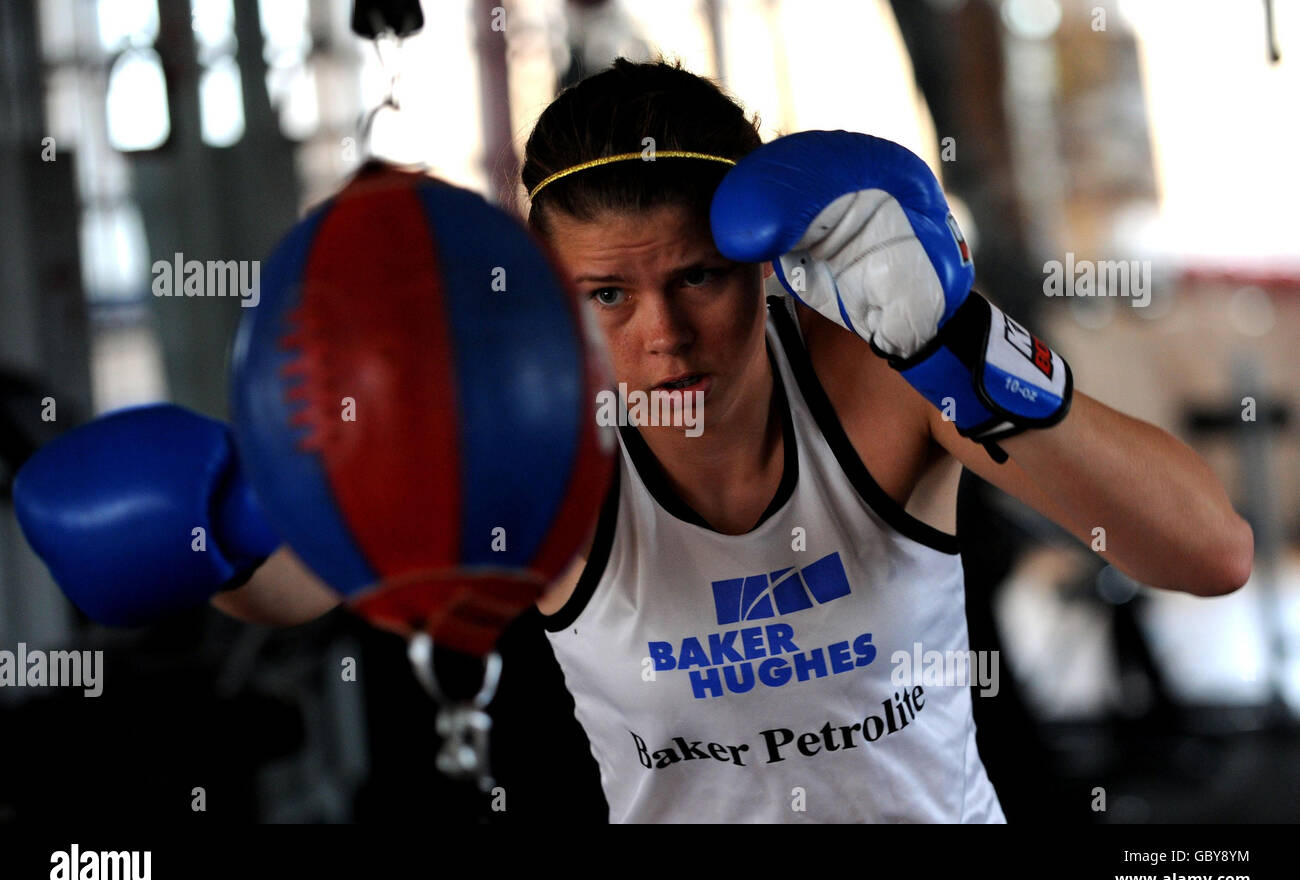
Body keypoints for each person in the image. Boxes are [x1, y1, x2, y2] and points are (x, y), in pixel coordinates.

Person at [15, 57, 1253, 825]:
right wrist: (240, 509)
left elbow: (1208, 555)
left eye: (702, 278)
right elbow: (272, 597)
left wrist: (971, 349)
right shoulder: (540, 456)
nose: (665, 335)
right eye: (608, 294)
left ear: (768, 269)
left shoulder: (885, 383)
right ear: (556, 298)